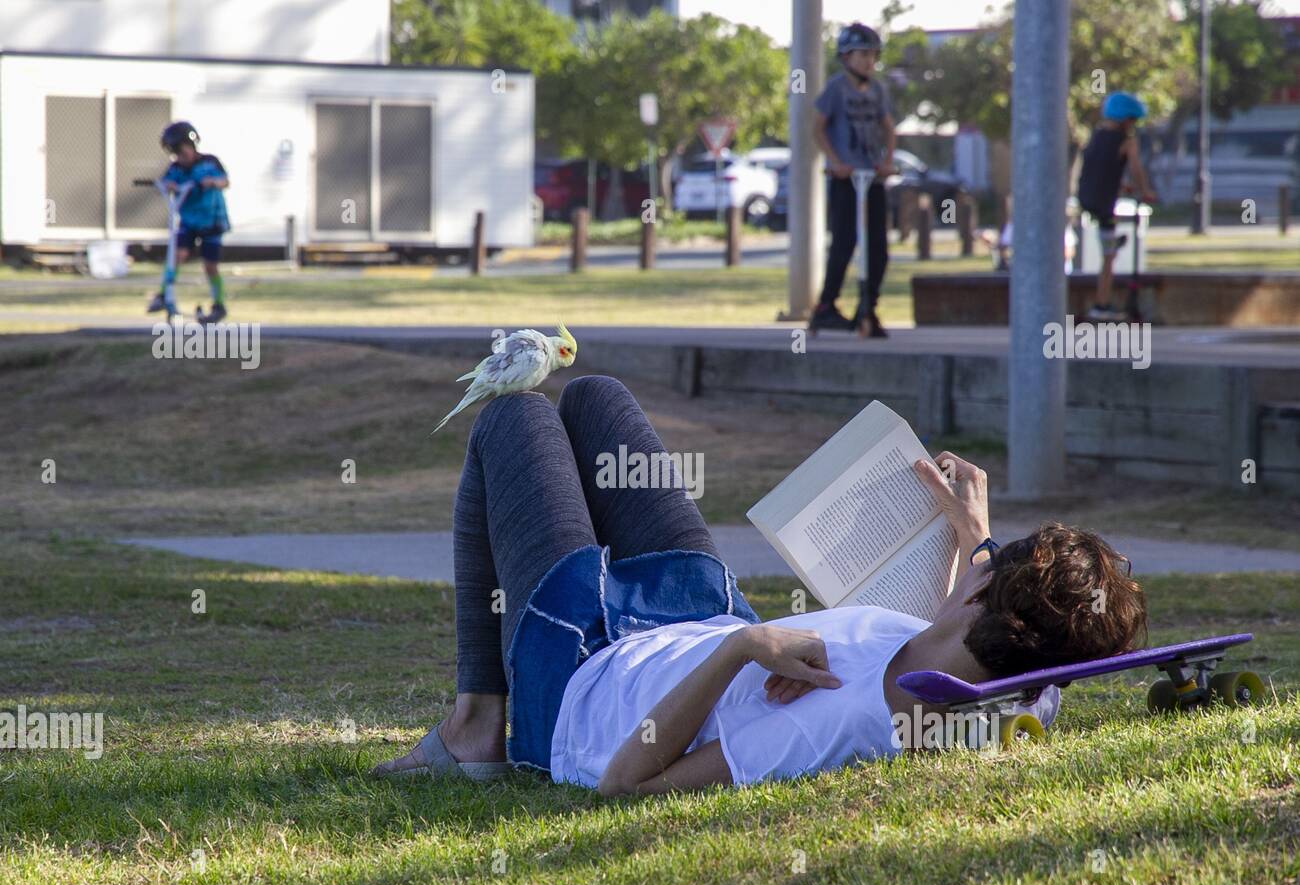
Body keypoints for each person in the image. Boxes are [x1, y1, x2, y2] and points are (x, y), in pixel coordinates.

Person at [372, 376, 1148, 794]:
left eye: (985, 566)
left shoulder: (830, 727)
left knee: (514, 417)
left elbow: (626, 786)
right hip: (695, 615)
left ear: (979, 602)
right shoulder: (1011, 681)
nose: (978, 557)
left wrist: (746, 646)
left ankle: (478, 723)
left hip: (586, 680)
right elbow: (1024, 628)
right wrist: (969, 527)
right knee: (595, 398)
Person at [809, 22, 896, 337]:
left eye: (872, 55)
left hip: (871, 177)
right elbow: (817, 128)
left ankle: (868, 307)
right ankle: (825, 307)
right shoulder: (836, 89)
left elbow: (888, 128)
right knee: (844, 243)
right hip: (847, 179)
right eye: (863, 55)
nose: (869, 62)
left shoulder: (878, 90)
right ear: (846, 57)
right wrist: (836, 162)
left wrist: (886, 161)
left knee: (878, 248)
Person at [1076, 92, 1157, 321]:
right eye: (1133, 120)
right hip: (1104, 205)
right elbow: (1136, 169)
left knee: (1109, 249)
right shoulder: (1126, 140)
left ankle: (1103, 301)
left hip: (1088, 199)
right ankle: (1101, 304)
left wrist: (1122, 186)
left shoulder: (1097, 136)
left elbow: (1100, 169)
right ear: (1126, 119)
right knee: (1109, 256)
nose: (1133, 125)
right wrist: (1145, 191)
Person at [146, 121, 231, 324]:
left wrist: (211, 182)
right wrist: (168, 186)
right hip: (189, 221)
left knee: (210, 265)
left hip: (212, 220)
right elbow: (166, 182)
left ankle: (218, 304)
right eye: (176, 152)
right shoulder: (175, 168)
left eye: (182, 150)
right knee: (177, 254)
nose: (180, 156)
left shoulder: (209, 163)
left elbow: (225, 181)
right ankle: (164, 295)